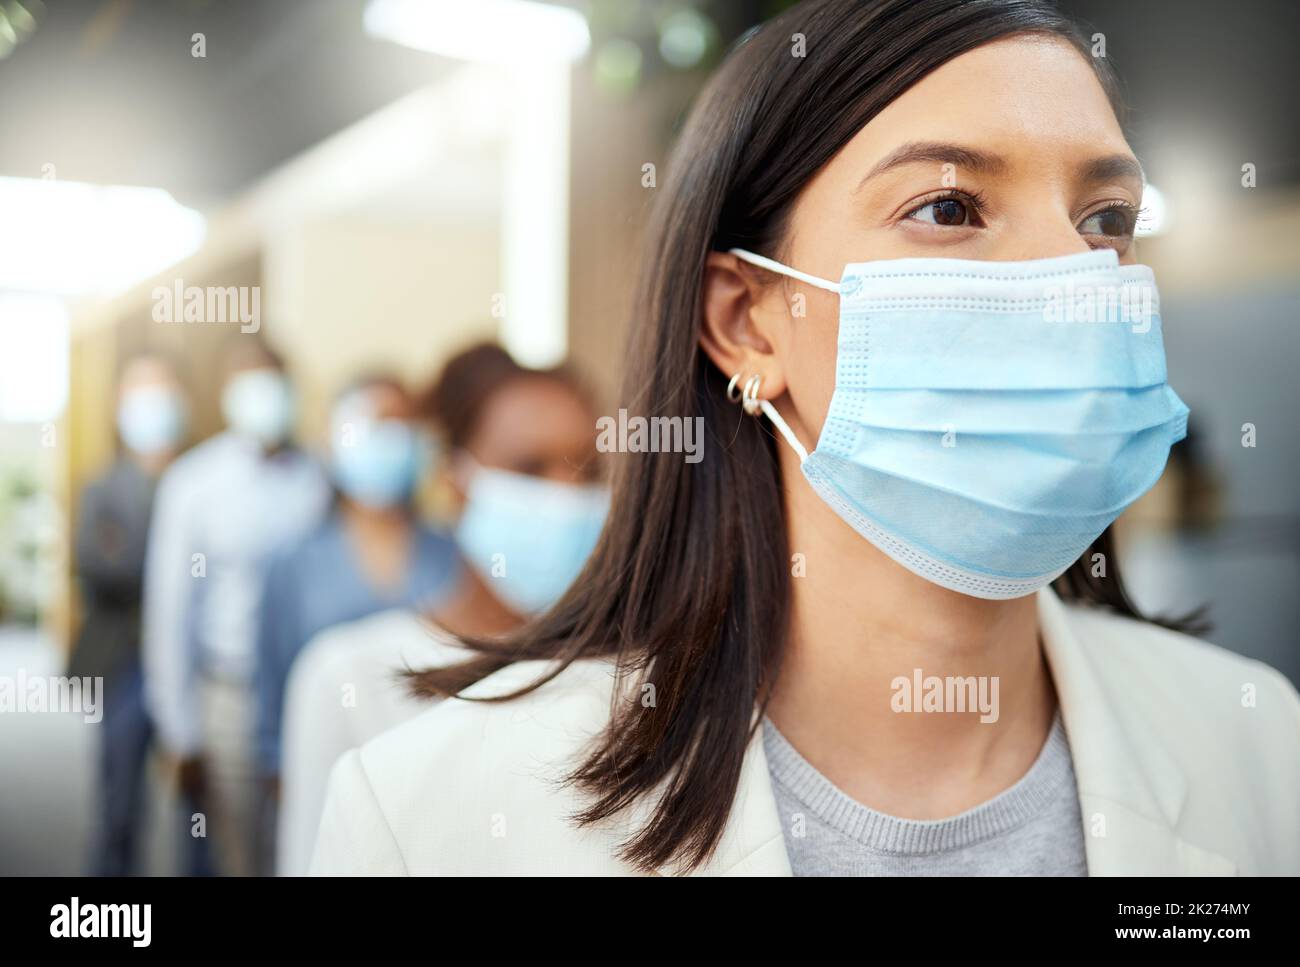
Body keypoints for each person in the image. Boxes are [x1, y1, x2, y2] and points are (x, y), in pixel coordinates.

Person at [311, 0, 1300, 876]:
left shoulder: (1257, 745)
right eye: (948, 207)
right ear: (744, 319)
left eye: (1104, 217)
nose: (1072, 277)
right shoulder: (431, 818)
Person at [276, 344, 605, 874]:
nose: (567, 498)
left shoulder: (619, 678)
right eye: (531, 468)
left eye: (587, 472)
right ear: (456, 483)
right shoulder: (347, 675)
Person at [255, 374, 462, 867]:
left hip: (432, 791)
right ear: (334, 438)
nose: (389, 442)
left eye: (402, 428)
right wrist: (282, 777)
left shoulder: (453, 554)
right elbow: (270, 683)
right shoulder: (295, 561)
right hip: (324, 780)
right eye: (374, 426)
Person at [142, 335, 330, 876]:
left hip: (306, 692)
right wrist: (179, 729)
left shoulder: (317, 478)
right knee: (240, 857)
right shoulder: (194, 483)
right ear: (227, 396)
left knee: (306, 850)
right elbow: (170, 610)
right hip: (230, 696)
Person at [68, 351, 188, 875]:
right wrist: (173, 561)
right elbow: (96, 566)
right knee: (119, 802)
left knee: (199, 810)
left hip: (190, 662)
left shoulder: (197, 479)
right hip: (123, 664)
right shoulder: (102, 486)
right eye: (140, 392)